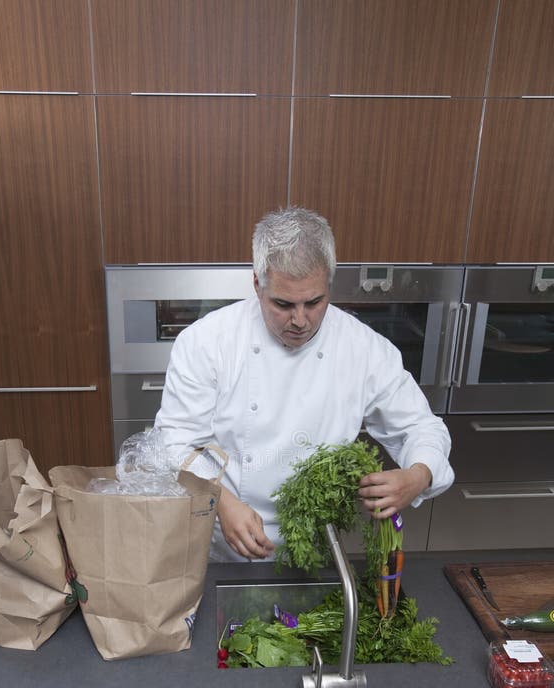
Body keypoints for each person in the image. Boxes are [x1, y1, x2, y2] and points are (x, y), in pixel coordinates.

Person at [155, 207, 454, 562]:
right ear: (257, 284)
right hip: (223, 546)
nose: (300, 320)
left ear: (329, 284)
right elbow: (176, 441)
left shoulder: (364, 349)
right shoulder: (207, 342)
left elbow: (422, 428)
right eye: (283, 304)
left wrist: (418, 476)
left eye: (314, 302)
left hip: (314, 548)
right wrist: (220, 500)